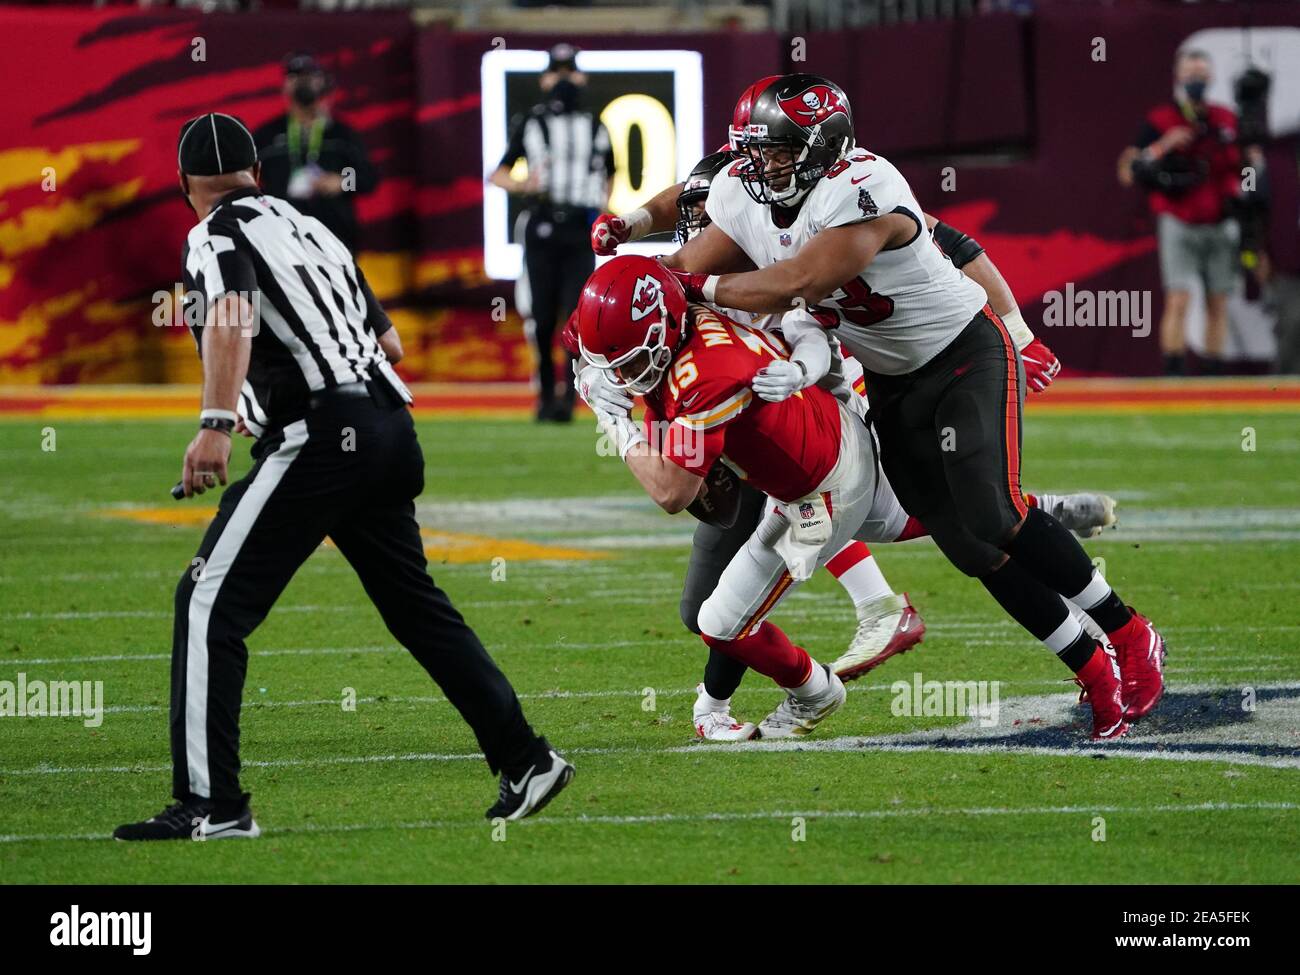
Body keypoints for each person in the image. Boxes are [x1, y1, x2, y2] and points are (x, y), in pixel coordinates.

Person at [665, 74, 1166, 740]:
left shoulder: (862, 187)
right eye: (756, 151)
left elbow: (800, 281)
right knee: (969, 546)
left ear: (823, 147)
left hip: (962, 354)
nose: (764, 166)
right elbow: (680, 265)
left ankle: (1128, 632)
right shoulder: (744, 193)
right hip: (892, 380)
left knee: (995, 515)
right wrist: (630, 275)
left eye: (779, 151)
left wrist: (696, 287)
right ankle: (1093, 668)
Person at [113, 113, 572, 841]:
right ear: (257, 173)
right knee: (414, 605)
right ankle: (526, 758)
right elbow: (389, 340)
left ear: (184, 184)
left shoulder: (214, 235)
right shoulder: (310, 226)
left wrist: (217, 421)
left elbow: (230, 314)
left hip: (322, 435)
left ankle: (213, 804)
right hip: (387, 424)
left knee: (206, 601)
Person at [574, 255, 895, 739]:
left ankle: (819, 686)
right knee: (947, 523)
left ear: (664, 332)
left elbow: (672, 492)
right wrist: (589, 368)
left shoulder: (706, 374)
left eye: (632, 362)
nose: (622, 377)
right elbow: (585, 334)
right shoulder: (679, 310)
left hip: (823, 490)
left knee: (721, 621)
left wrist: (615, 422)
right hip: (825, 437)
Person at [490, 43, 614, 422]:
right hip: (542, 222)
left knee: (578, 315)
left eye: (569, 71)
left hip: (578, 226)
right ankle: (545, 396)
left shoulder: (596, 125)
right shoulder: (531, 122)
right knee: (542, 316)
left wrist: (600, 206)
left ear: (581, 77)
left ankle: (571, 396)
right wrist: (524, 185)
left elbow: (610, 172)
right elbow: (498, 174)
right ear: (545, 79)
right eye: (557, 72)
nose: (564, 80)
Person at [1118, 49, 1243, 375]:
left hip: (1220, 221)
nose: (1195, 81)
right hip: (1178, 220)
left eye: (1201, 74)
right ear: (1178, 78)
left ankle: (1213, 377)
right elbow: (1127, 170)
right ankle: (1173, 376)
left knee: (1218, 301)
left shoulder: (1224, 118)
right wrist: (1163, 146)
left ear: (1211, 77)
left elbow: (1245, 166)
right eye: (1190, 75)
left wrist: (1241, 189)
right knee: (1178, 298)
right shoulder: (1161, 120)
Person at [253, 52, 379, 253]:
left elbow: (368, 178)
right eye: (295, 77)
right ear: (285, 85)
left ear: (322, 82)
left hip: (335, 240)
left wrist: (342, 182)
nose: (303, 83)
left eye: (309, 76)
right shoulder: (266, 135)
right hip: (283, 241)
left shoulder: (342, 134)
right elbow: (246, 181)